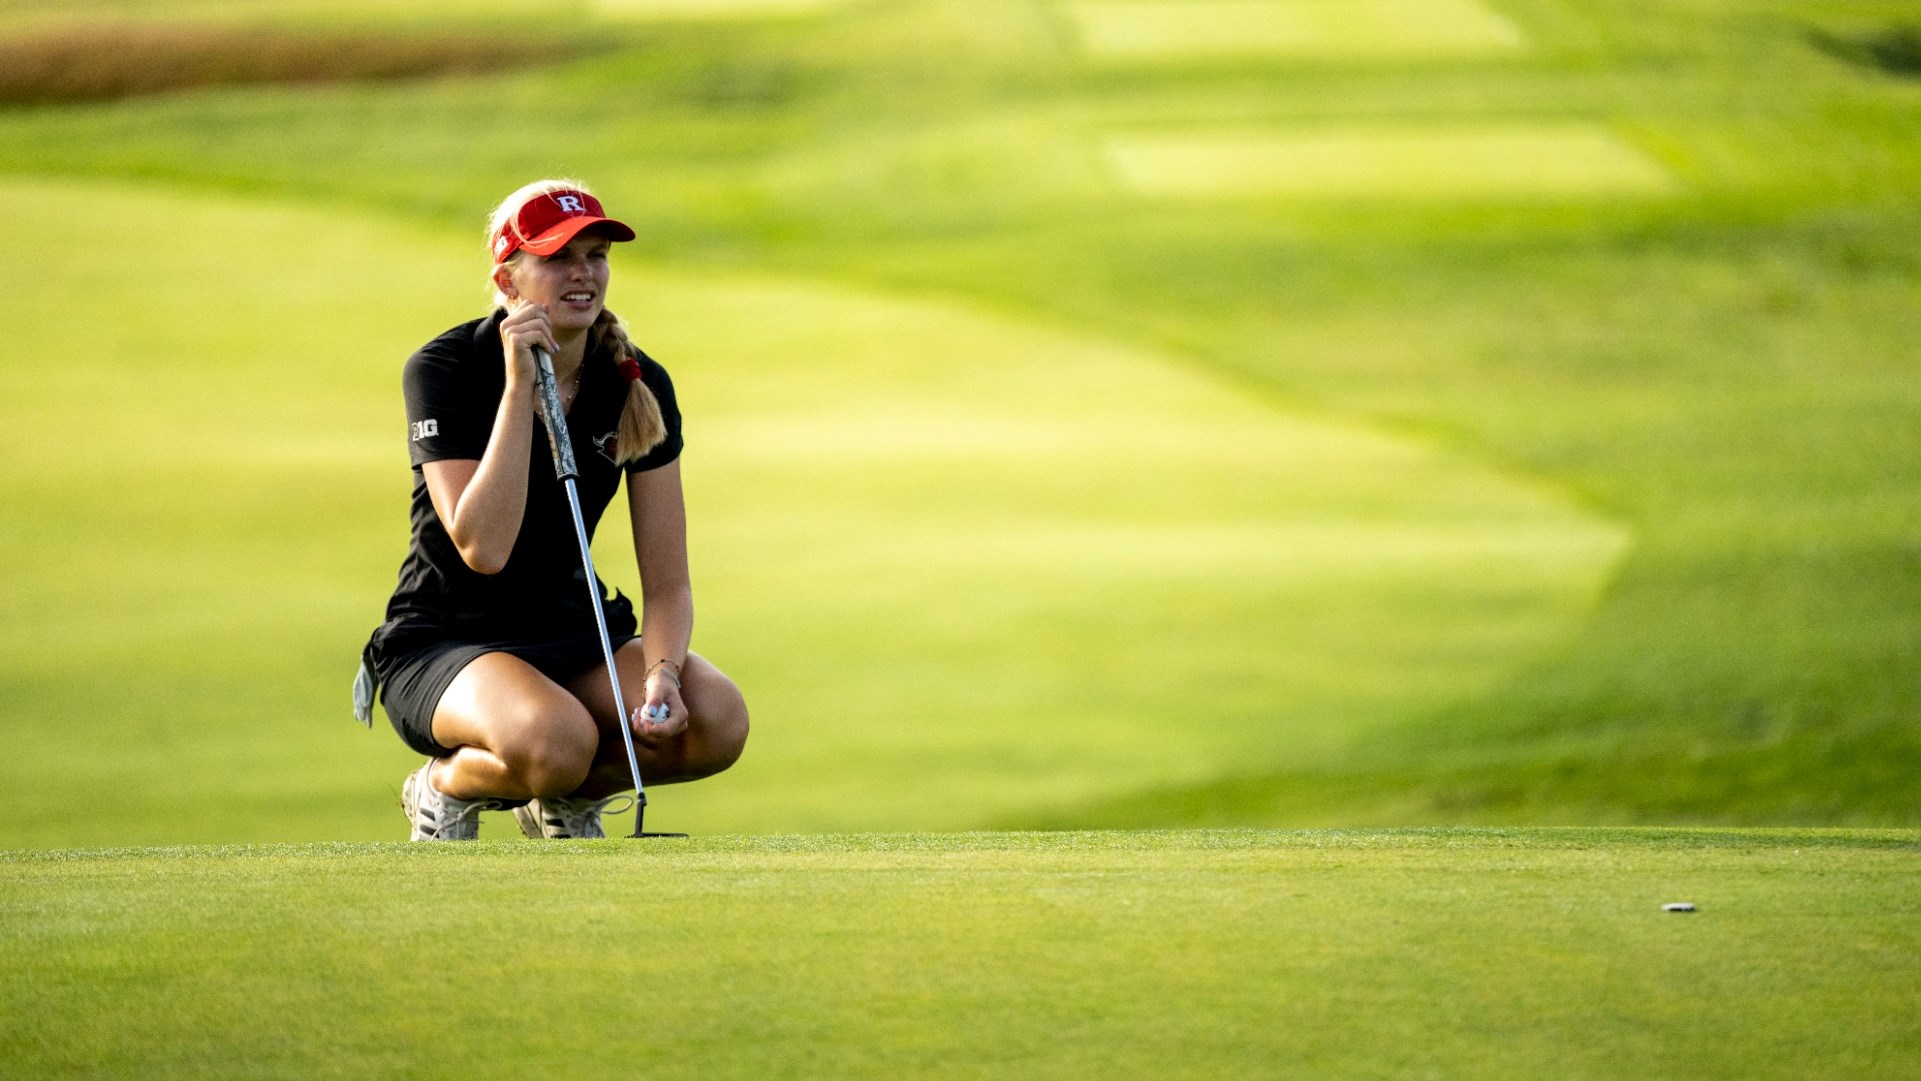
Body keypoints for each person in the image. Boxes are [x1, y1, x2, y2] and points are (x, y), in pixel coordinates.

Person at [355, 179, 749, 840]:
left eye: (595, 255)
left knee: (716, 719)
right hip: (446, 636)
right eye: (557, 258)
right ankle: (442, 785)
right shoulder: (446, 368)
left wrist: (662, 676)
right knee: (557, 741)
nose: (582, 273)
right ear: (507, 279)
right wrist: (519, 390)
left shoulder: (635, 381)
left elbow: (669, 582)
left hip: (571, 630)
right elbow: (483, 546)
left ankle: (560, 801)